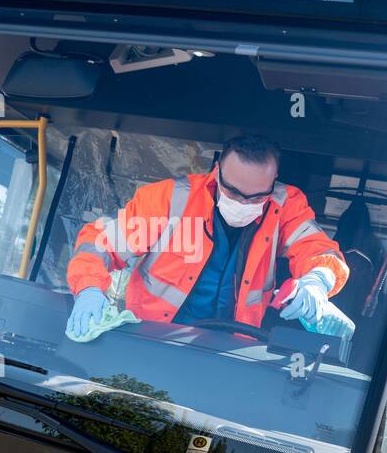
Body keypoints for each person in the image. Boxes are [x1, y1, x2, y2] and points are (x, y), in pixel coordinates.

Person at [65, 134, 352, 340]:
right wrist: (89, 288)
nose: (243, 202)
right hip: (152, 339)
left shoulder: (286, 204)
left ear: (273, 182)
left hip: (231, 351)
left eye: (257, 197)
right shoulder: (169, 200)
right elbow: (100, 243)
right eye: (234, 192)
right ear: (217, 173)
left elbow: (318, 251)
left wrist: (317, 282)